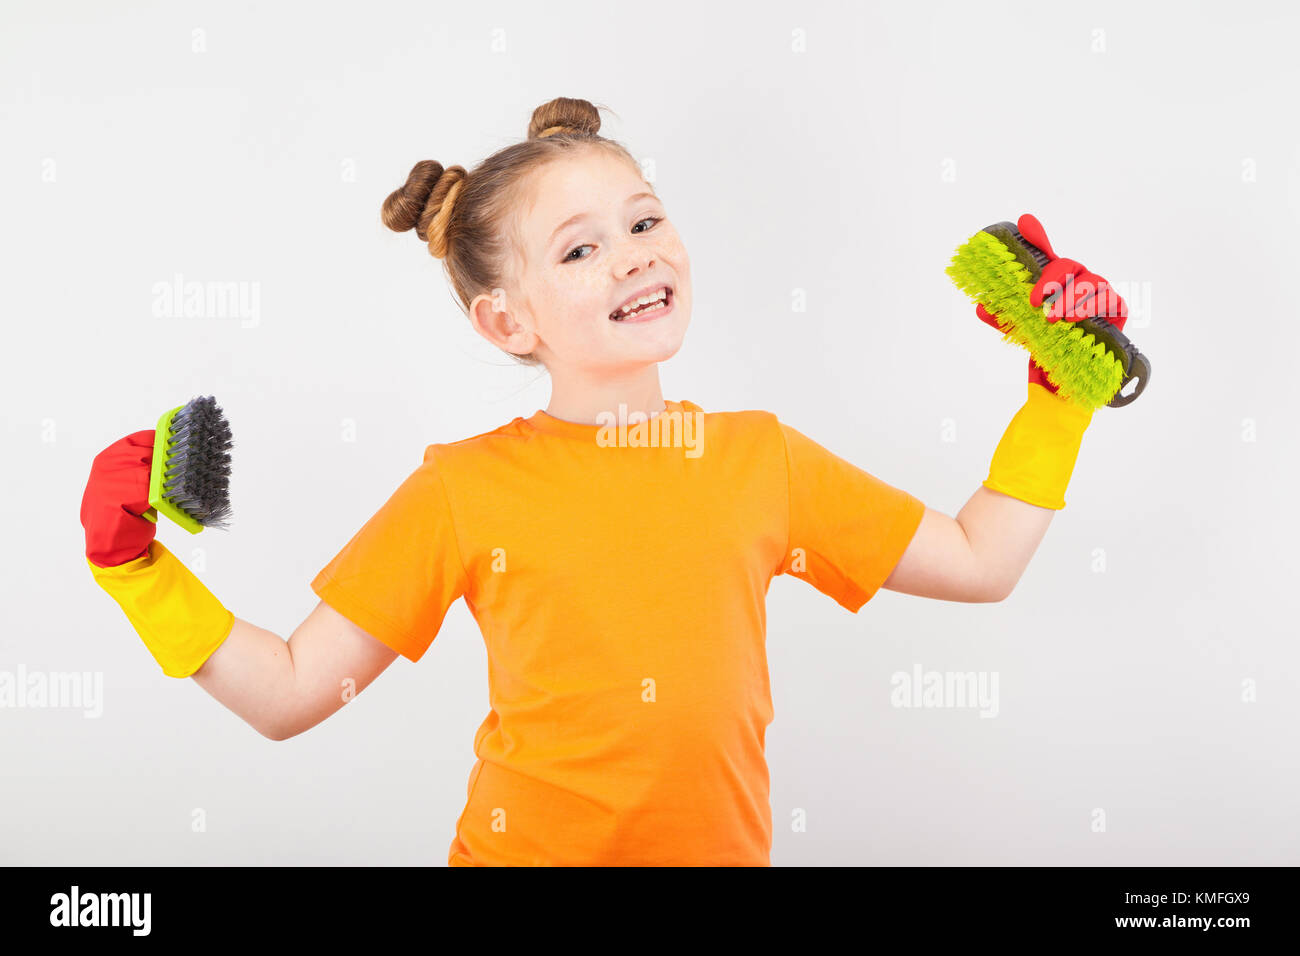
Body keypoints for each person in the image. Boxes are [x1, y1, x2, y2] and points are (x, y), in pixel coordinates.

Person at [80, 96, 1128, 866]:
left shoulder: (761, 457)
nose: (632, 256)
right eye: (579, 249)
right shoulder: (464, 488)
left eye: (643, 220)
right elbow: (290, 691)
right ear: (506, 320)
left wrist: (1058, 392)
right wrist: (138, 571)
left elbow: (981, 560)